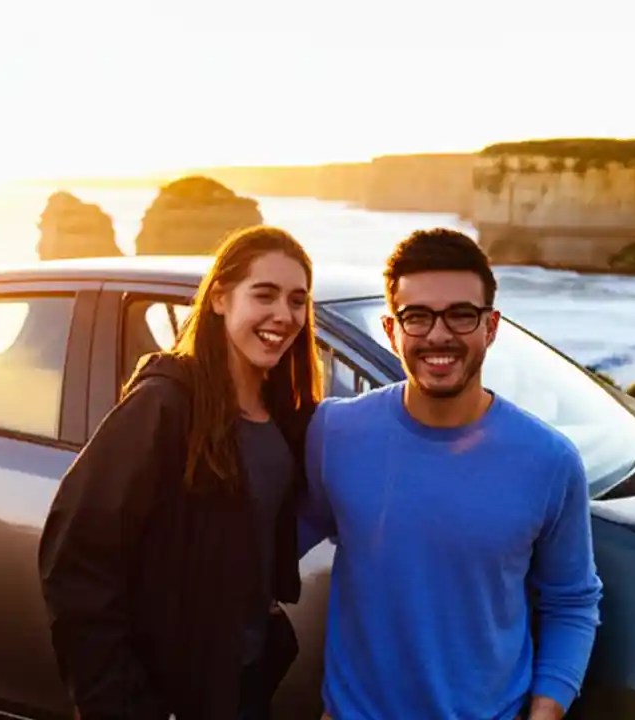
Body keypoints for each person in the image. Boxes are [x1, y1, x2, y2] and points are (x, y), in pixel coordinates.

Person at [300, 228, 603, 720]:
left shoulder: (550, 462)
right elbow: (265, 551)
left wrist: (546, 712)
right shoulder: (334, 433)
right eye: (416, 316)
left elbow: (572, 602)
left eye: (461, 314)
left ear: (491, 326)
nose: (439, 335)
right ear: (391, 329)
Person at [38, 225, 324, 720]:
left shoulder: (284, 413)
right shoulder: (165, 405)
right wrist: (120, 707)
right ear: (219, 298)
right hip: (171, 694)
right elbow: (74, 558)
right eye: (265, 294)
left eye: (297, 300)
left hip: (246, 679)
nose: (285, 314)